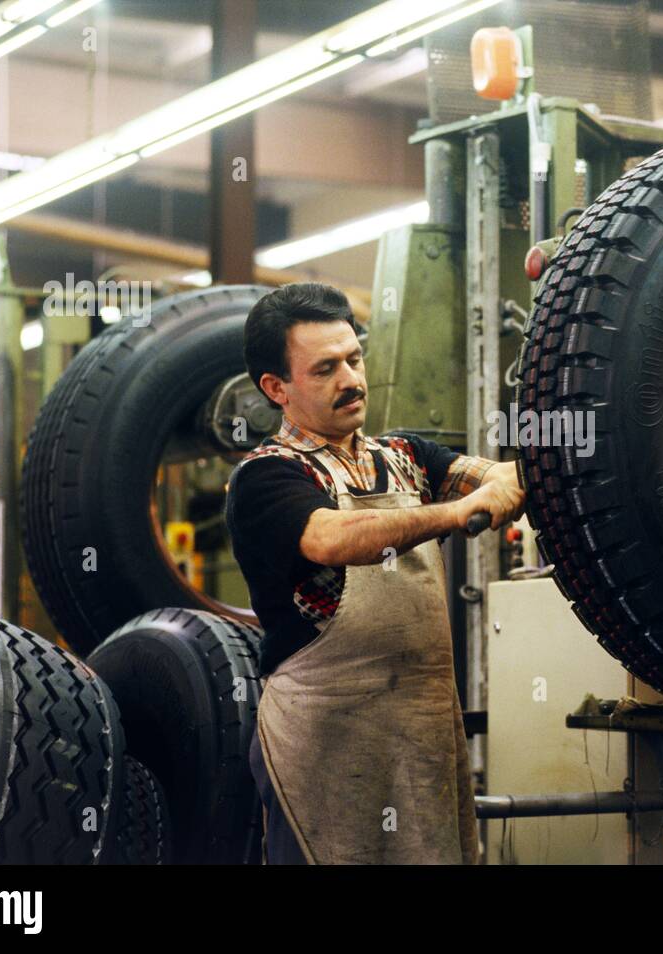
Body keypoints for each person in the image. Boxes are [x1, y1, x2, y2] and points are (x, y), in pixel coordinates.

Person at [225, 282, 524, 864]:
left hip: (422, 733)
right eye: (326, 369)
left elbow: (502, 475)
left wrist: (496, 486)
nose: (352, 381)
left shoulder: (406, 457)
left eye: (355, 359)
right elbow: (331, 538)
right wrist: (455, 511)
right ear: (276, 388)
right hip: (326, 742)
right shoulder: (265, 477)